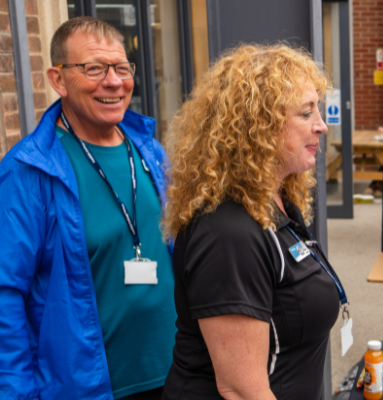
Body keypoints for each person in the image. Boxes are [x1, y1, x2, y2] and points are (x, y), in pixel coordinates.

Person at [0, 17, 175, 399]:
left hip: (176, 376)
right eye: (94, 68)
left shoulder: (150, 151)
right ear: (58, 79)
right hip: (89, 388)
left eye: (122, 68)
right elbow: (5, 293)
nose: (113, 82)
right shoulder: (28, 171)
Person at [161, 43, 347, 400]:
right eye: (305, 113)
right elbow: (241, 389)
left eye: (318, 110)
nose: (322, 126)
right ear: (259, 126)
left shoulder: (275, 203)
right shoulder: (227, 232)